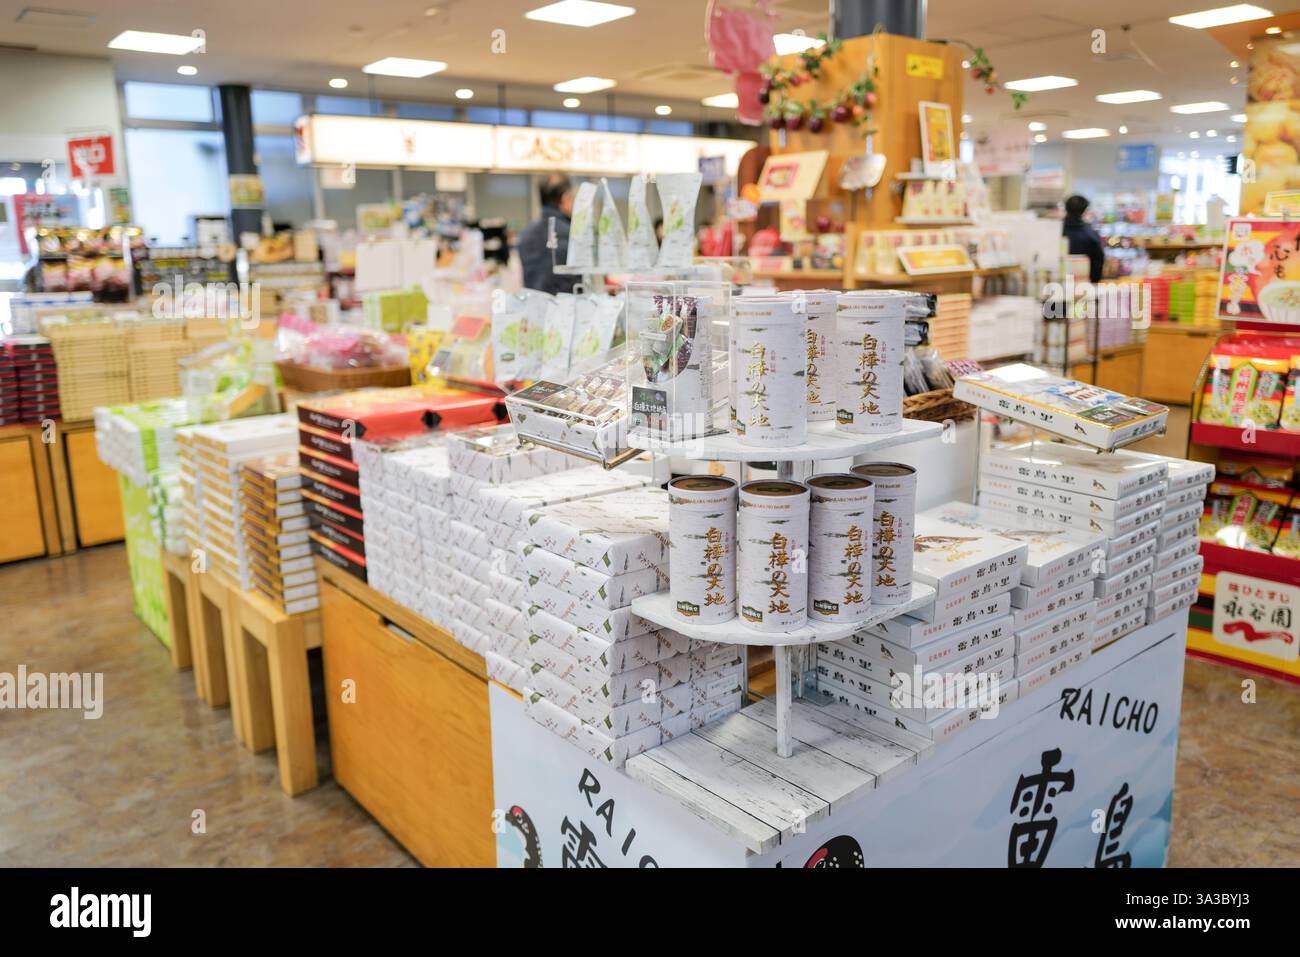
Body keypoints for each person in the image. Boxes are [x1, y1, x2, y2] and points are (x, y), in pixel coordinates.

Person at [517, 173, 578, 295]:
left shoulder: (525, 235)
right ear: (565, 198)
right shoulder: (574, 235)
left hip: (533, 310)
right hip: (568, 311)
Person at [1062, 194, 1105, 284]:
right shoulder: (1091, 235)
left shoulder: (1055, 232)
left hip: (1056, 285)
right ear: (1084, 211)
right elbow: (1098, 263)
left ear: (1065, 209)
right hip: (1083, 287)